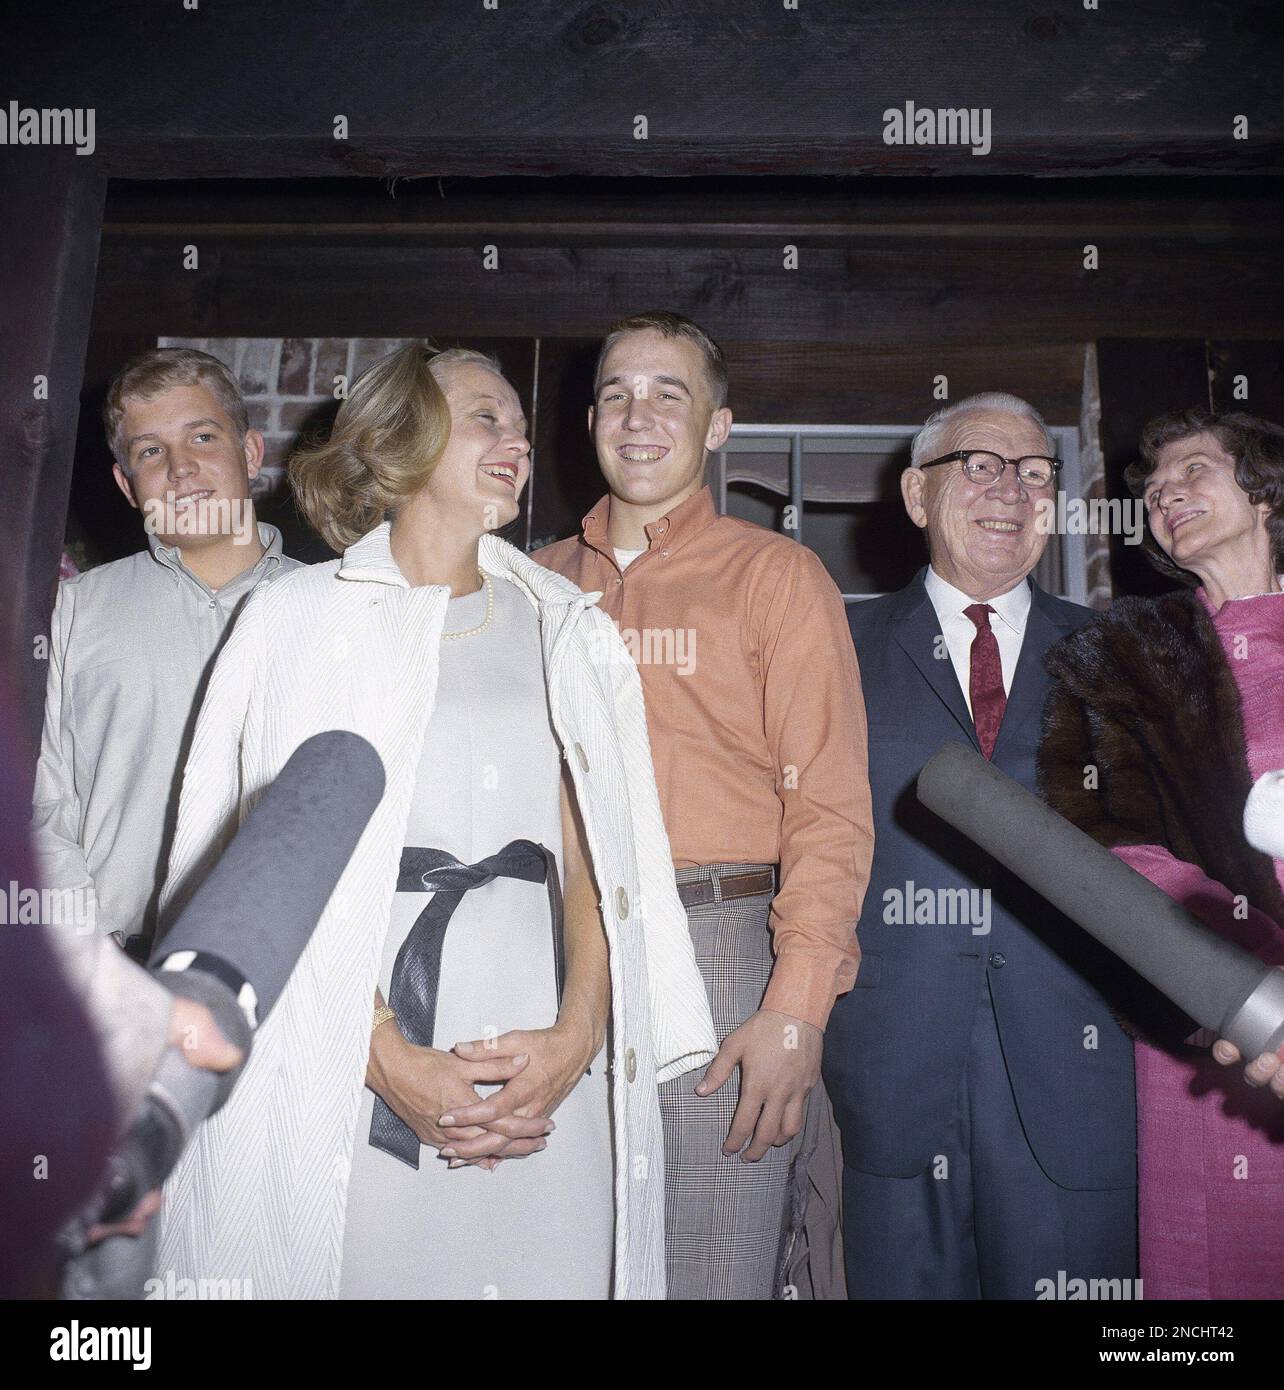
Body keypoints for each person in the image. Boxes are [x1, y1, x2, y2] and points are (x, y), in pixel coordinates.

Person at [154, 343, 715, 1300]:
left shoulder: (568, 628)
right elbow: (235, 874)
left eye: (522, 426)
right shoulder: (295, 621)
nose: (519, 440)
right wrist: (383, 1057)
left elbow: (601, 861)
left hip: (543, 1053)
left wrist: (578, 1035)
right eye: (486, 416)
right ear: (404, 436)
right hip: (351, 1051)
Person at [535, 311, 873, 1300]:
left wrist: (794, 1012)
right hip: (557, 952)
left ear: (718, 426)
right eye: (615, 393)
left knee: (713, 1273)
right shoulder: (534, 582)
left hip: (722, 947)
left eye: (668, 394)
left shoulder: (777, 576)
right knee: (568, 1263)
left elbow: (832, 810)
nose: (638, 416)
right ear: (589, 418)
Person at [825, 392, 1139, 1299]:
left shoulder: (1118, 652)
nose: (1012, 489)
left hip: (1075, 1075)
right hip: (888, 1069)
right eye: (981, 464)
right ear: (918, 497)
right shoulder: (833, 645)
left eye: (1037, 472)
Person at [1039, 408, 1284, 1298]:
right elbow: (1112, 841)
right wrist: (1232, 975)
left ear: (1263, 492)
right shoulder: (1123, 660)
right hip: (1211, 1011)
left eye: (1195, 472)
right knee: (1214, 1268)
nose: (1168, 494)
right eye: (1155, 488)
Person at [31, 347, 301, 962]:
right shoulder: (74, 614)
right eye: (151, 451)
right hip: (117, 966)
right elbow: (40, 801)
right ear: (128, 485)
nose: (181, 469)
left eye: (202, 436)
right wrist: (88, 959)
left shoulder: (332, 607)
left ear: (251, 453)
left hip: (292, 971)